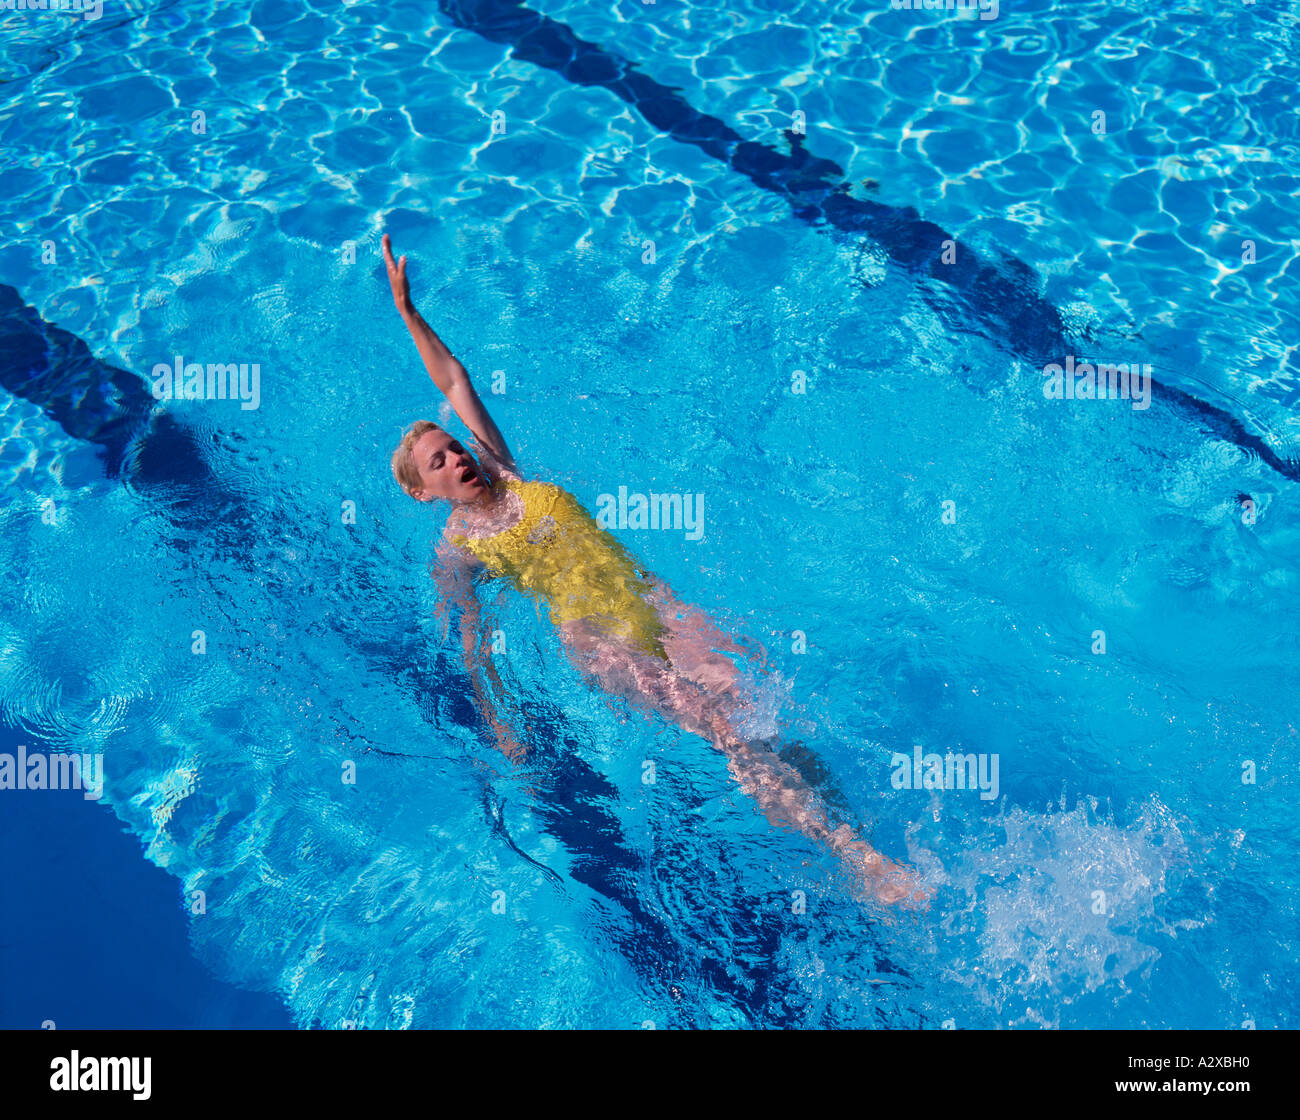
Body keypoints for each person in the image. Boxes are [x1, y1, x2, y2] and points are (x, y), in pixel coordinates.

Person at [382, 234, 928, 908]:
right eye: (437, 463)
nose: (455, 458)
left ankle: (837, 828)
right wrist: (498, 717)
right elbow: (472, 641)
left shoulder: (505, 469)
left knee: (759, 717)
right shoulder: (460, 549)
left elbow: (455, 380)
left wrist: (410, 314)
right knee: (729, 734)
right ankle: (857, 859)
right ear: (423, 491)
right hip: (600, 640)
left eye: (452, 446)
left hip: (654, 603)